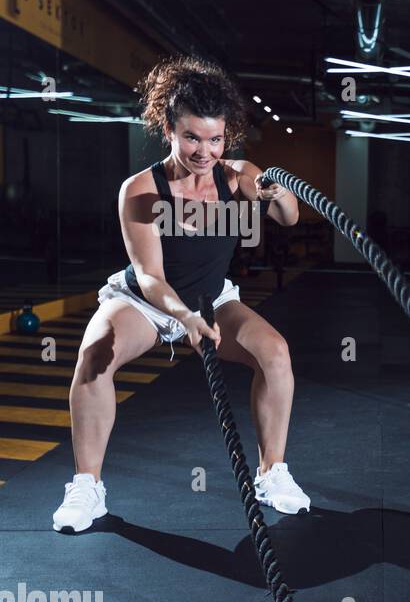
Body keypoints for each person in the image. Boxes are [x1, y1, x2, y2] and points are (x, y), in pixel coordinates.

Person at [53, 56, 310, 533]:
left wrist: (276, 192)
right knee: (94, 355)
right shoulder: (141, 190)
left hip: (213, 298)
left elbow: (289, 218)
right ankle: (87, 487)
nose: (204, 151)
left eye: (215, 139)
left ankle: (272, 472)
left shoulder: (236, 175)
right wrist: (183, 318)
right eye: (192, 137)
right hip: (146, 303)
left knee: (275, 352)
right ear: (168, 128)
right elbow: (149, 275)